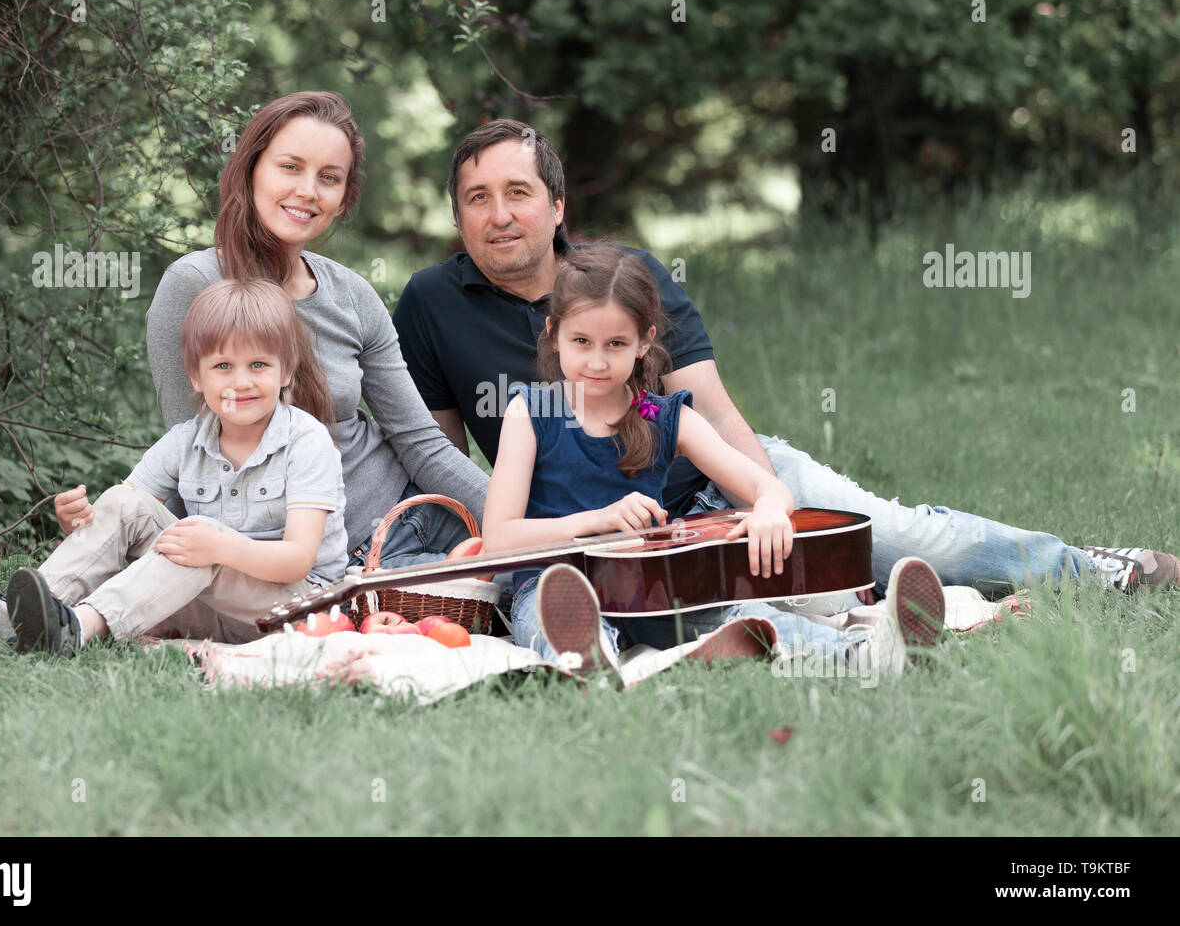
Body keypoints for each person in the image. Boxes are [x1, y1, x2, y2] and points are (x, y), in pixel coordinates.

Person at [394, 118, 1178, 613]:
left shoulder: (624, 279)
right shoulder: (431, 302)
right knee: (761, 610)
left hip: (713, 484)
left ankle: (1095, 567)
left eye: (518, 192)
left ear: (557, 206)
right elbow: (438, 456)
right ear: (457, 213)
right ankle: (870, 619)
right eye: (476, 198)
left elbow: (714, 414)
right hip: (582, 535)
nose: (498, 215)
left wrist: (767, 501)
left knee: (904, 538)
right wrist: (511, 540)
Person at [481, 246, 945, 678]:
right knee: (555, 619)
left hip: (647, 588)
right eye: (581, 341)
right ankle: (587, 665)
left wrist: (767, 510)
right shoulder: (530, 412)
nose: (597, 362)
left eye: (616, 345)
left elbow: (769, 488)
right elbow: (499, 536)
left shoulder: (664, 418)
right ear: (554, 335)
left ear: (644, 342)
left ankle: (866, 654)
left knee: (744, 616)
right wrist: (596, 521)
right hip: (550, 584)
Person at [145, 91, 486, 573]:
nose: (308, 190)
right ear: (251, 169)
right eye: (290, 167)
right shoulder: (195, 286)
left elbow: (419, 441)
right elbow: (190, 452)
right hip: (307, 557)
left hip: (409, 515)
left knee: (553, 568)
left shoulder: (352, 294)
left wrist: (522, 519)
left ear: (344, 196)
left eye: (329, 178)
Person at [0, 279, 348, 654]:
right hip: (210, 609)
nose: (240, 382)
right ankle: (14, 615)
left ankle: (77, 628)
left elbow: (297, 559)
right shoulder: (187, 440)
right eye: (223, 366)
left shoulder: (306, 442)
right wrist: (81, 520)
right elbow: (125, 515)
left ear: (286, 371)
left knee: (200, 539)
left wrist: (221, 547)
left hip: (294, 613)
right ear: (196, 377)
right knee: (124, 502)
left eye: (258, 365)